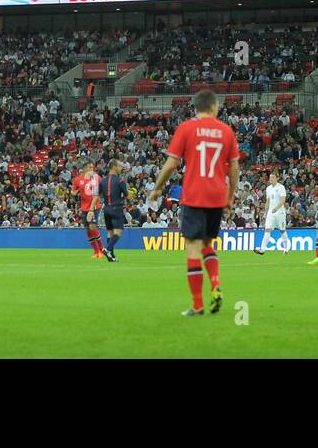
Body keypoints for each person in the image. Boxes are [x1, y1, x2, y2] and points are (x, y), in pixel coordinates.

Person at [149, 89, 239, 317]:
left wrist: (158, 186)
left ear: (196, 107)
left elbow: (171, 164)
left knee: (192, 249)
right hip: (217, 196)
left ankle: (198, 305)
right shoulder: (226, 131)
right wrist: (230, 197)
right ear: (213, 107)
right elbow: (235, 168)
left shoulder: (186, 128)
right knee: (208, 245)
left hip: (194, 195)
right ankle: (216, 283)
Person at [72, 161, 105, 259]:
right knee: (88, 230)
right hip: (84, 207)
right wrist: (74, 192)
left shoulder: (97, 178)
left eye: (92, 167)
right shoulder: (78, 180)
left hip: (94, 206)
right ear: (84, 168)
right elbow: (73, 191)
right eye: (90, 167)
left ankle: (102, 250)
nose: (92, 169)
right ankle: (96, 252)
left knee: (92, 227)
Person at [98, 160, 128, 262]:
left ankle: (112, 256)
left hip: (106, 209)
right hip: (117, 208)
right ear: (114, 167)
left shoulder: (102, 181)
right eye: (120, 166)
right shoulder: (120, 181)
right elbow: (127, 195)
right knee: (118, 232)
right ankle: (108, 249)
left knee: (110, 233)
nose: (121, 168)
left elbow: (99, 194)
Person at [254, 169, 289, 256]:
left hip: (280, 212)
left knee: (282, 230)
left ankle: (286, 248)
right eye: (270, 177)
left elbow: (283, 200)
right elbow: (268, 201)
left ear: (277, 178)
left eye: (273, 177)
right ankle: (262, 249)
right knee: (267, 229)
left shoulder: (281, 187)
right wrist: (266, 212)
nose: (271, 179)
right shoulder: (268, 188)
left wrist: (276, 208)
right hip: (271, 213)